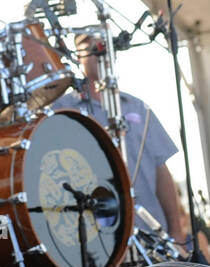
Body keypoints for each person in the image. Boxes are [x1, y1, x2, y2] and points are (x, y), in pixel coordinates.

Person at [52, 33, 188, 245]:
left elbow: (161, 169)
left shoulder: (138, 107)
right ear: (78, 55)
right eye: (92, 47)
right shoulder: (62, 109)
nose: (101, 52)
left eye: (105, 45)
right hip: (94, 238)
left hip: (150, 233)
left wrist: (176, 232)